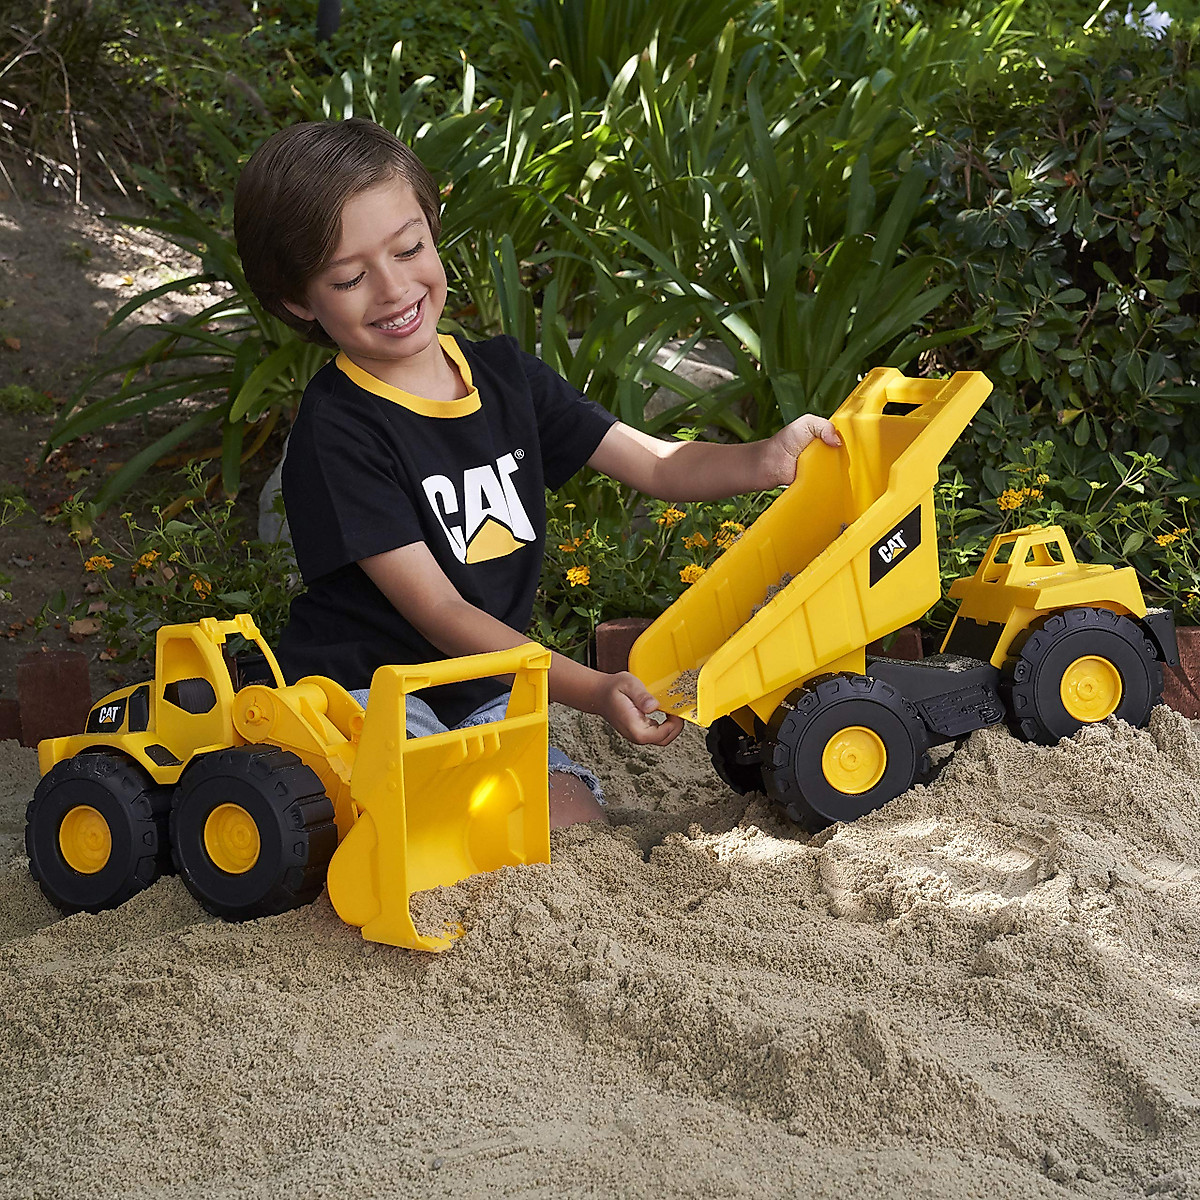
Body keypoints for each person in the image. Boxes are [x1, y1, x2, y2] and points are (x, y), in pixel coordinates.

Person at [233, 118, 841, 829]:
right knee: (443, 833)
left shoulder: (503, 376)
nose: (394, 288)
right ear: (299, 300)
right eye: (349, 278)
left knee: (570, 825)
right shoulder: (338, 429)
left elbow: (654, 462)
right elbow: (441, 613)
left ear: (432, 229)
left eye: (409, 248)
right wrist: (593, 689)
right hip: (368, 693)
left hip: (487, 688)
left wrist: (764, 457)